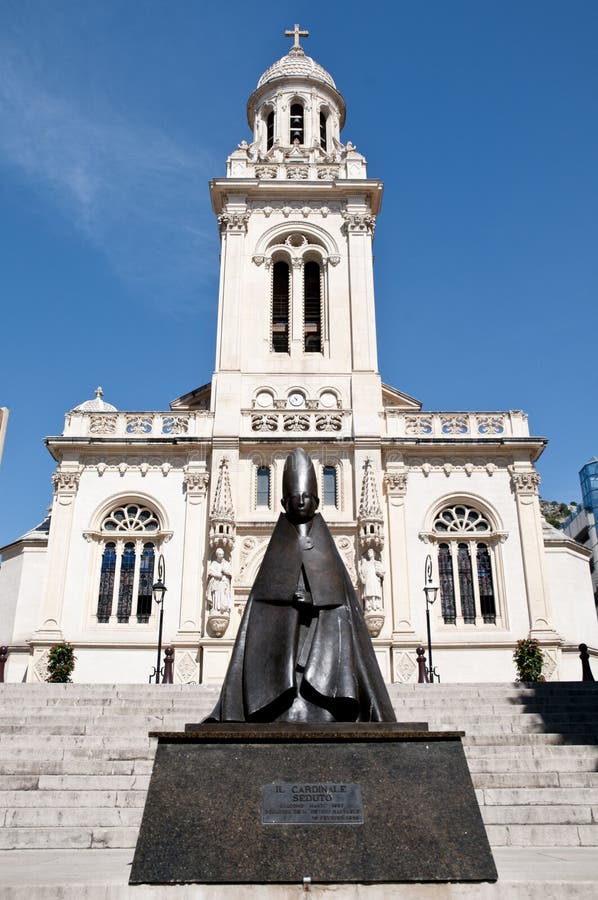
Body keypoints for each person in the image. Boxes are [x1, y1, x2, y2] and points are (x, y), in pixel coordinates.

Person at [206, 448, 396, 723]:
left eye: (307, 497)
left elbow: (340, 602)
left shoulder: (326, 547)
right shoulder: (277, 547)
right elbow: (259, 606)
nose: (301, 502)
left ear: (317, 500)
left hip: (319, 641)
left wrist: (316, 600)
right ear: (284, 502)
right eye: (295, 498)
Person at [206, 548, 232, 614]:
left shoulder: (226, 563)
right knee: (216, 594)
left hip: (224, 583)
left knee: (223, 594)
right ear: (217, 555)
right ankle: (215, 608)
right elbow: (210, 572)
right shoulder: (214, 563)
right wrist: (217, 575)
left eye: (222, 554)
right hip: (216, 583)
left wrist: (225, 571)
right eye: (220, 554)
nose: (222, 556)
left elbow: (230, 572)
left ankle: (223, 608)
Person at [359, 548, 385, 612]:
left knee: (375, 591)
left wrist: (379, 572)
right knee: (369, 592)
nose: (369, 554)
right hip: (368, 580)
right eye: (368, 553)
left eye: (371, 552)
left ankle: (376, 605)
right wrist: (362, 578)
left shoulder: (377, 562)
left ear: (374, 554)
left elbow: (382, 572)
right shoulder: (366, 563)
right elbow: (361, 572)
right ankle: (368, 606)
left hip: (375, 580)